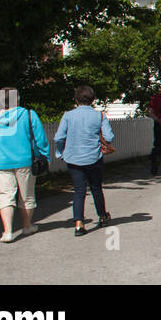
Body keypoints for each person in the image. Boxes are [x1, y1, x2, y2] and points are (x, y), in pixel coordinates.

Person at [0, 99, 50, 243]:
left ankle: (8, 232)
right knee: (26, 196)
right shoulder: (29, 115)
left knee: (5, 196)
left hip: (1, 163)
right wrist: (44, 156)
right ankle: (27, 226)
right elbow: (40, 139)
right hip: (25, 161)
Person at [54, 84, 114, 236]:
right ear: (93, 99)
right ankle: (102, 216)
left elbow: (59, 137)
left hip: (73, 158)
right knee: (96, 188)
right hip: (94, 157)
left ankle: (79, 224)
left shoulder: (68, 115)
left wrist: (60, 152)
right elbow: (109, 137)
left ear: (76, 99)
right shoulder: (99, 116)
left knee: (79, 190)